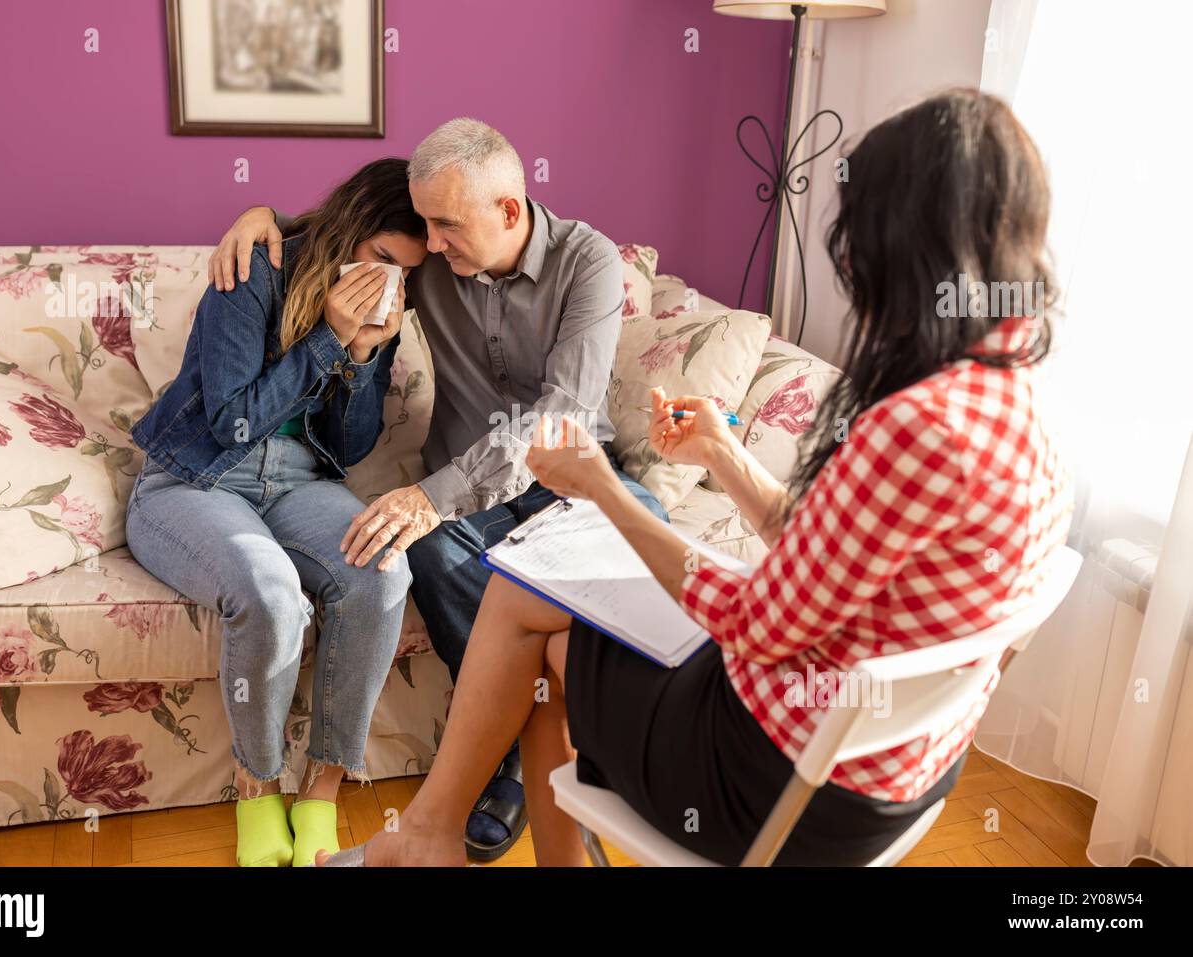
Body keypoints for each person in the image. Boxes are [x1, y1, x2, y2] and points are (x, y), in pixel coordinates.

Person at [314, 88, 1074, 867]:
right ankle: (441, 831)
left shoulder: (912, 425)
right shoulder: (1019, 408)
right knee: (534, 615)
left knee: (528, 606)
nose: (851, 267)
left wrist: (604, 489)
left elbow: (754, 623)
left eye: (860, 241)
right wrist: (724, 457)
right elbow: (824, 552)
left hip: (772, 782)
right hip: (892, 778)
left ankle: (425, 839)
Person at [207, 118, 668, 861]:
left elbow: (560, 423)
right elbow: (346, 244)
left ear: (510, 211)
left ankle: (586, 765)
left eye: (447, 224)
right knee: (410, 549)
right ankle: (523, 753)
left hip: (569, 486)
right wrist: (264, 218)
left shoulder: (590, 264)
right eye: (424, 223)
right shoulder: (432, 257)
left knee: (649, 544)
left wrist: (431, 495)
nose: (432, 244)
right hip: (465, 517)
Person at [127, 158, 428, 866]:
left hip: (297, 484)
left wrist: (358, 357)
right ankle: (255, 784)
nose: (389, 282)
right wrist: (326, 336)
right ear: (353, 222)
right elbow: (232, 424)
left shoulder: (383, 308)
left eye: (406, 274)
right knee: (269, 596)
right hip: (196, 479)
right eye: (382, 258)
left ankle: (321, 791)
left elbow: (349, 450)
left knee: (383, 571)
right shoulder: (255, 268)